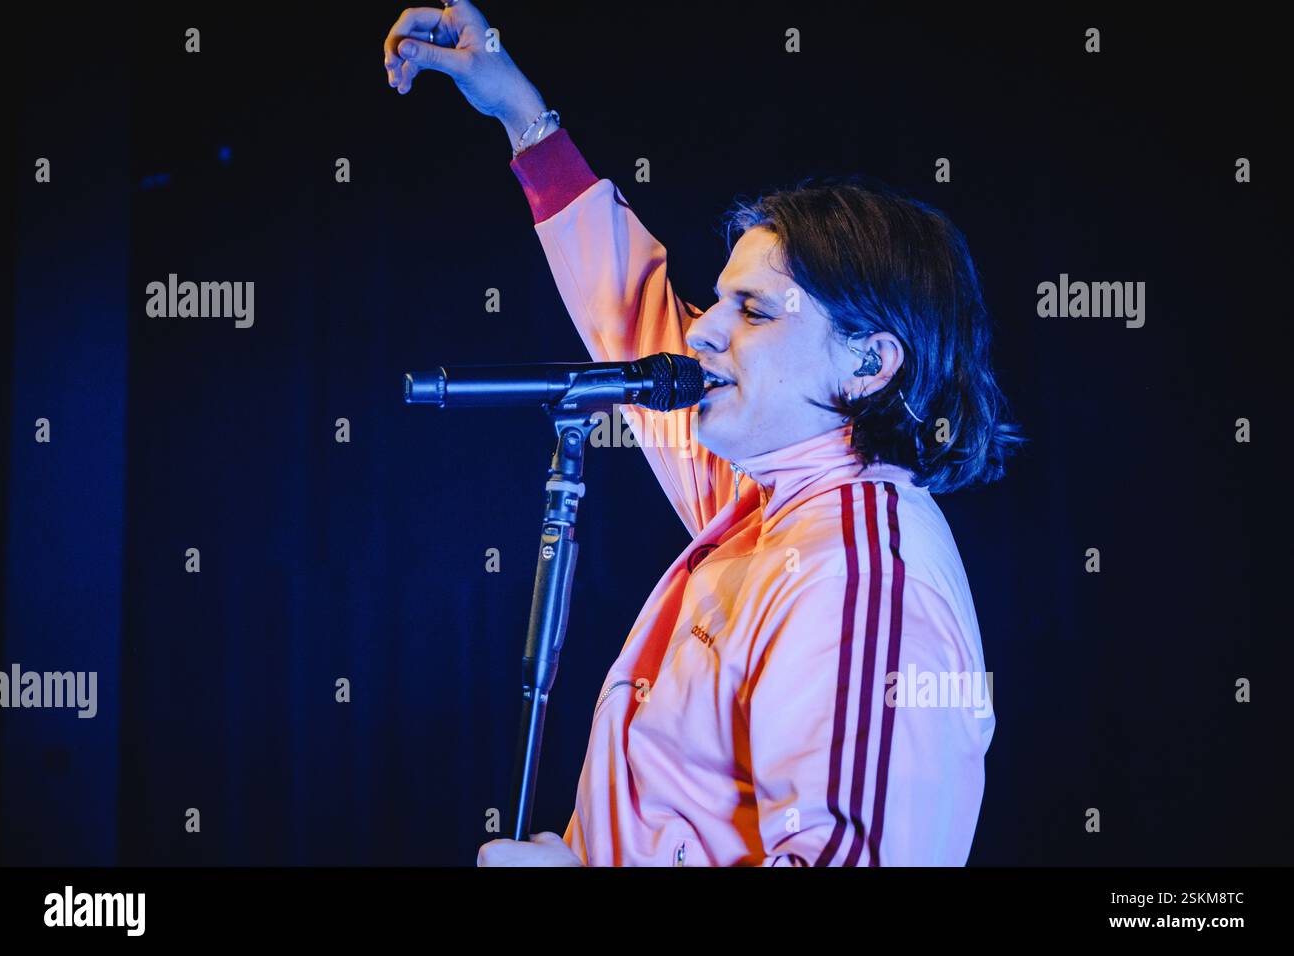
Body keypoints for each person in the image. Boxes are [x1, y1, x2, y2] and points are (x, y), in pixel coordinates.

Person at [384, 1, 1023, 867]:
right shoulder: (769, 501)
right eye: (719, 300)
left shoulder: (860, 576)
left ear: (869, 363)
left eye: (752, 310)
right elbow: (632, 318)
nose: (701, 332)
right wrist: (519, 114)